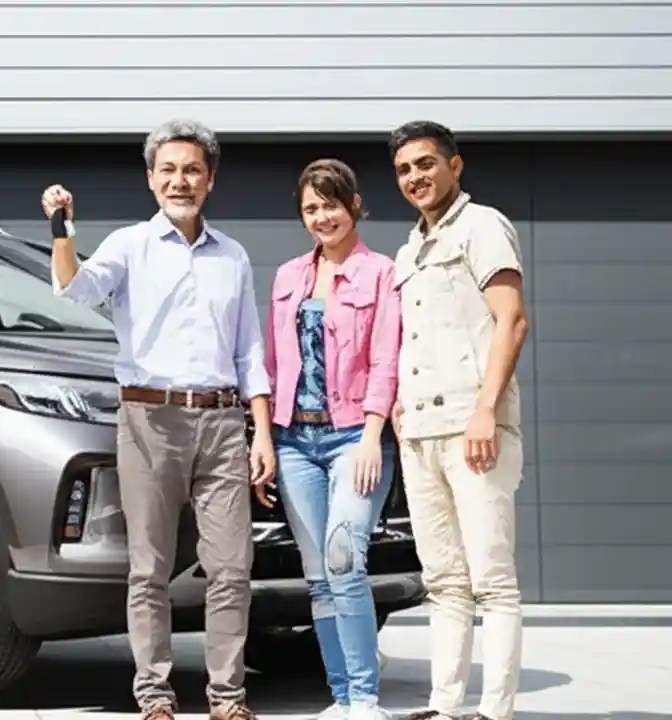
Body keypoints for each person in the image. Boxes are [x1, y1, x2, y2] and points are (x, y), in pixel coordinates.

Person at [40, 118, 275, 720]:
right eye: (168, 170)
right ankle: (155, 694)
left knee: (232, 567)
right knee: (150, 566)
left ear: (210, 179)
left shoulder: (234, 256)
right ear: (150, 179)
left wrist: (262, 431)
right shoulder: (127, 246)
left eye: (192, 170)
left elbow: (249, 350)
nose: (180, 180)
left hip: (223, 424)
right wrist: (61, 226)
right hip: (149, 421)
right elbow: (72, 288)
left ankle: (227, 697)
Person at [386, 121, 530, 720]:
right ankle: (446, 708)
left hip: (476, 430)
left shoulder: (482, 226)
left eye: (425, 164)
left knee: (492, 582)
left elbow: (512, 320)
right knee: (443, 582)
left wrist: (485, 412)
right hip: (419, 434)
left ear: (455, 165)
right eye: (403, 170)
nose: (415, 177)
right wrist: (397, 407)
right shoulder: (407, 249)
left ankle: (494, 712)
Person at [258, 159, 402, 720]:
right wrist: (266, 439)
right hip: (294, 441)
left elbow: (387, 358)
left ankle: (366, 698)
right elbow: (271, 362)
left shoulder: (381, 273)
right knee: (318, 578)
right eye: (311, 208)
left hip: (352, 440)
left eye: (331, 205)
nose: (322, 217)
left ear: (354, 205)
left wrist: (372, 435)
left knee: (346, 562)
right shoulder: (289, 276)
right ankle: (340, 699)